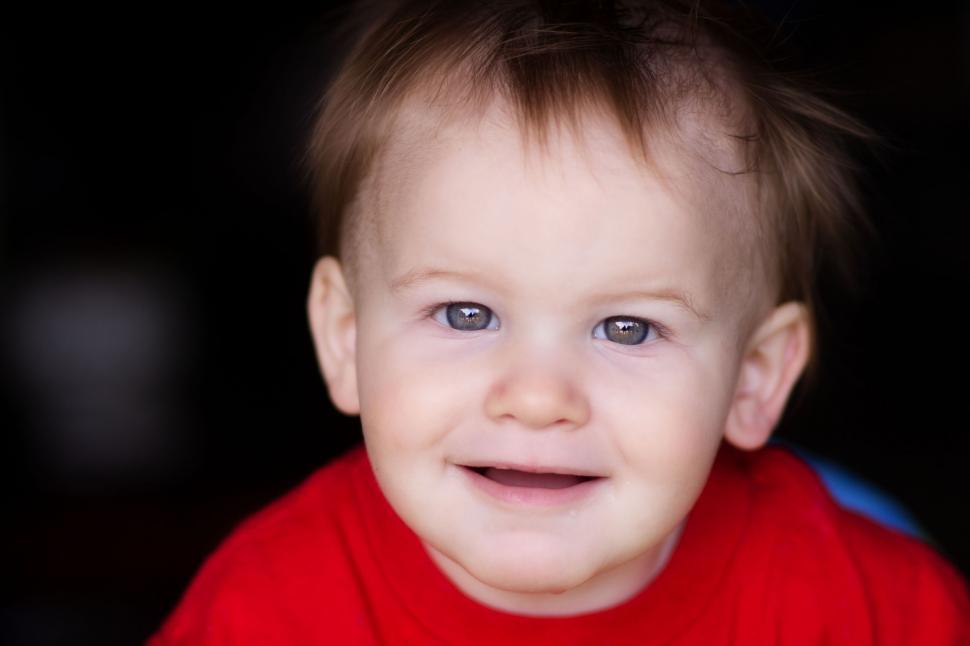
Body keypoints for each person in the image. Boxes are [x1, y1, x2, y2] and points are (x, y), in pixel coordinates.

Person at [148, 0, 970, 643]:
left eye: (628, 328)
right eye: (465, 313)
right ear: (345, 338)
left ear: (754, 378)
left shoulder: (866, 607)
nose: (538, 399)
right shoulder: (264, 609)